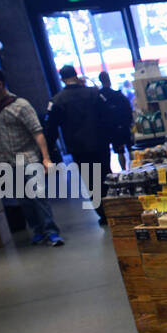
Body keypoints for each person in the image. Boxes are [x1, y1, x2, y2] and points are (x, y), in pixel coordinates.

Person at [0, 67, 63, 247]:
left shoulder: (21, 105)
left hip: (27, 158)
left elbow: (37, 132)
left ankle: (51, 231)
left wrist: (46, 158)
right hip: (5, 161)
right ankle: (38, 230)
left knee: (38, 196)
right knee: (23, 200)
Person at [44, 65, 111, 226]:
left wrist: (49, 149)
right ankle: (114, 209)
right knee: (107, 176)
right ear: (76, 75)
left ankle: (102, 214)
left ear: (61, 79)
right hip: (100, 143)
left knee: (91, 180)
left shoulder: (57, 100)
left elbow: (50, 128)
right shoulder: (94, 93)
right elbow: (108, 115)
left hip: (78, 148)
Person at [97, 71, 134, 172]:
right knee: (131, 148)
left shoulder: (99, 96)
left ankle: (124, 170)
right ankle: (134, 168)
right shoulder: (118, 94)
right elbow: (128, 108)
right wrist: (129, 122)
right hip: (124, 125)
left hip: (112, 129)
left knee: (119, 151)